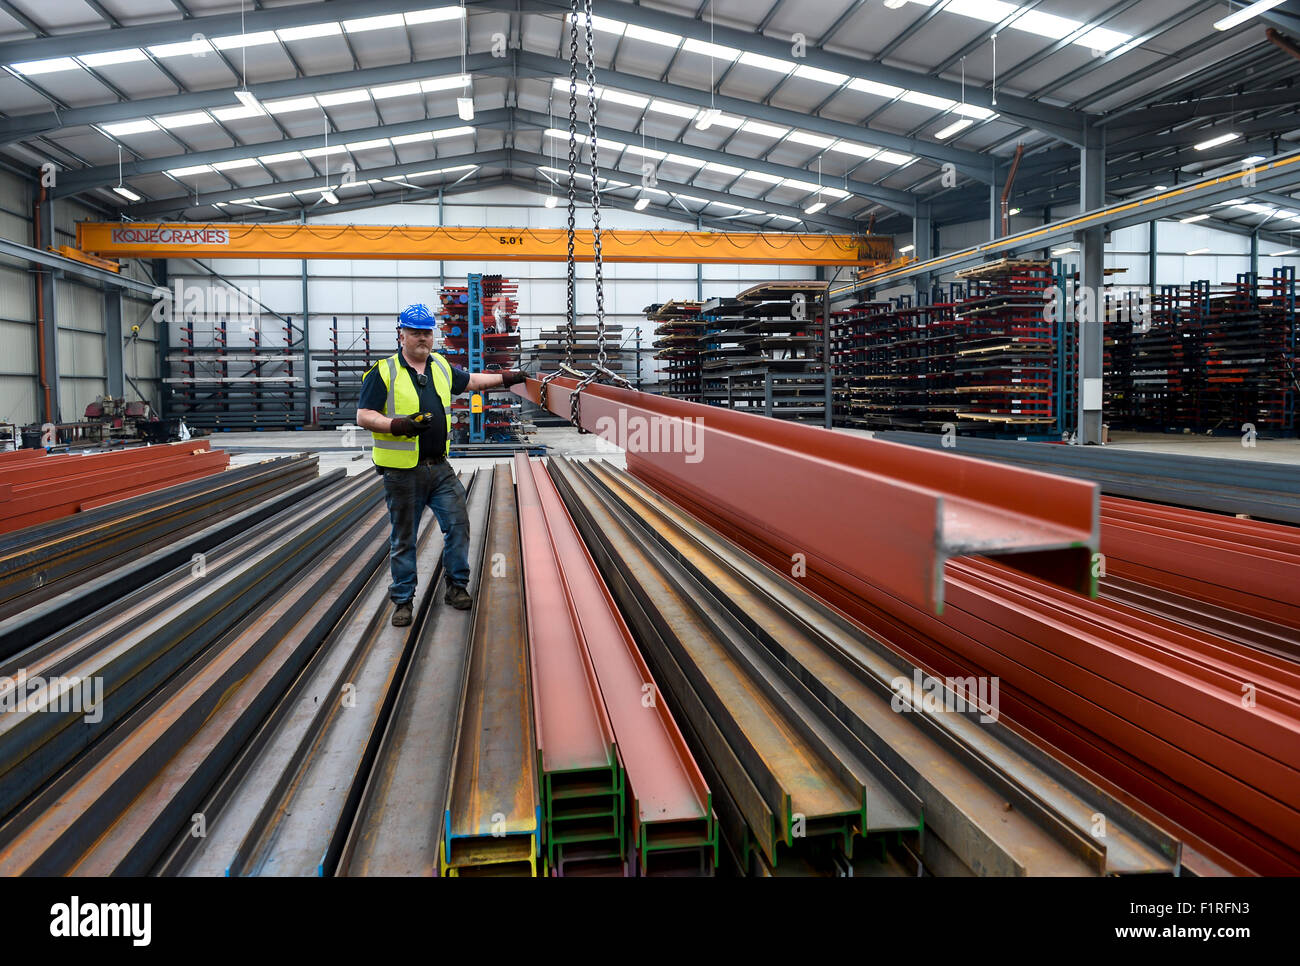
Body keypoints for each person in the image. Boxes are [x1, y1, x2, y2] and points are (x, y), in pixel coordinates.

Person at [355, 303, 527, 627]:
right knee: (404, 538)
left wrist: (508, 378)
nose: (422, 338)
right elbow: (364, 415)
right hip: (402, 472)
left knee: (458, 524)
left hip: (439, 468)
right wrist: (399, 425)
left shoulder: (441, 368)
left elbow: (473, 381)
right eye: (415, 332)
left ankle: (456, 587)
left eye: (427, 333)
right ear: (401, 335)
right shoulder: (383, 372)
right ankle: (403, 600)